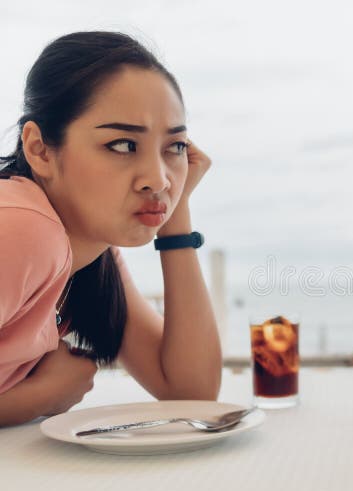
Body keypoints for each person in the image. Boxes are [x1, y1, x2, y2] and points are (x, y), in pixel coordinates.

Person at [0, 32, 222, 426]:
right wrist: (40, 397)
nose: (158, 179)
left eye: (175, 148)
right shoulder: (23, 228)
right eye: (122, 145)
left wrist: (177, 214)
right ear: (38, 149)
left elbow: (190, 392)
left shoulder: (90, 249)